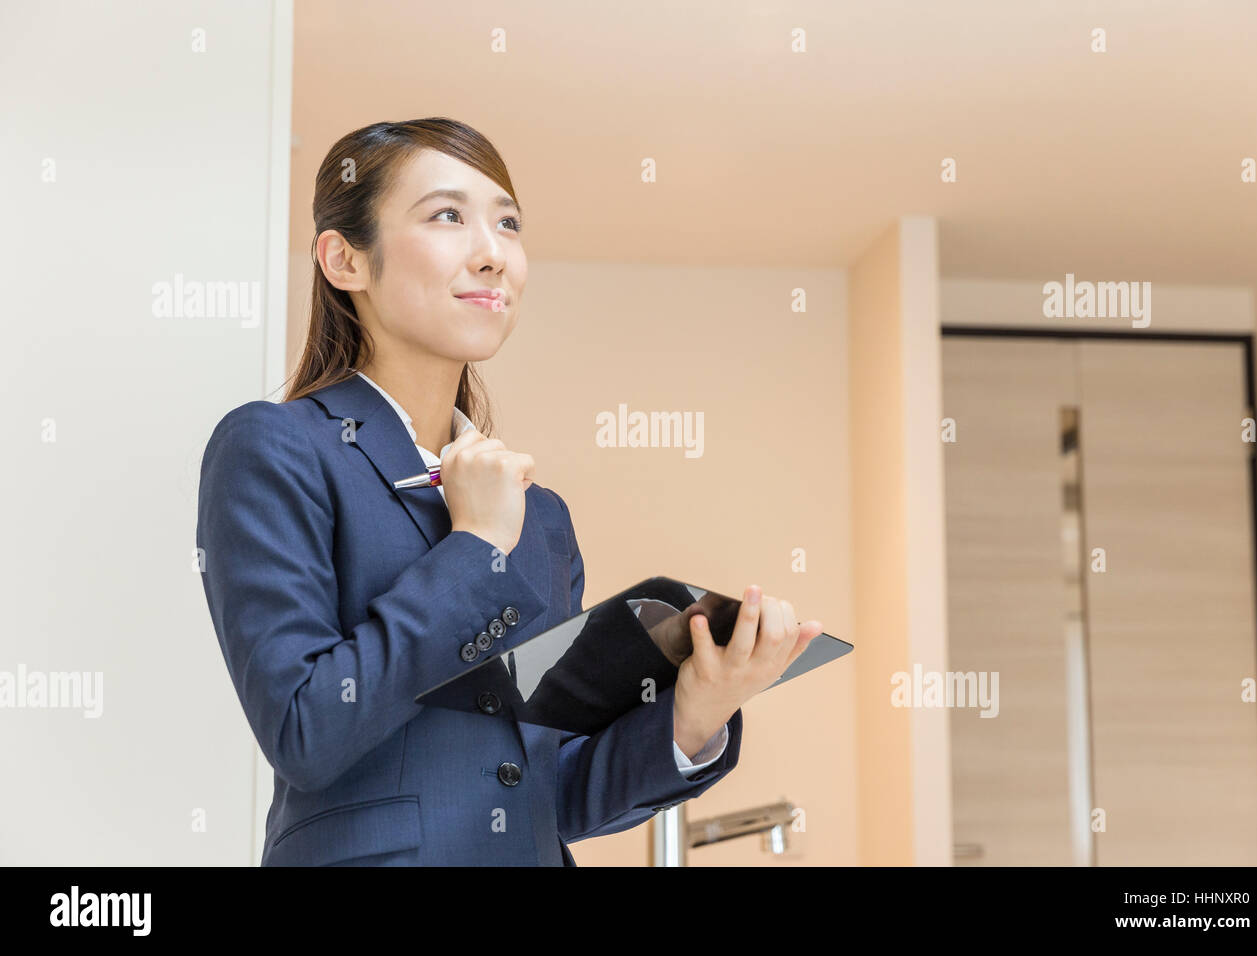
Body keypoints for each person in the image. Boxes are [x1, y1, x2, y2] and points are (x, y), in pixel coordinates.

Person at [195, 117, 822, 866]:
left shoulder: (541, 518)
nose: (493, 255)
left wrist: (696, 712)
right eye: (448, 216)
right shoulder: (276, 447)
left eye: (509, 223)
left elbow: (544, 790)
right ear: (345, 259)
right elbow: (306, 731)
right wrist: (476, 547)